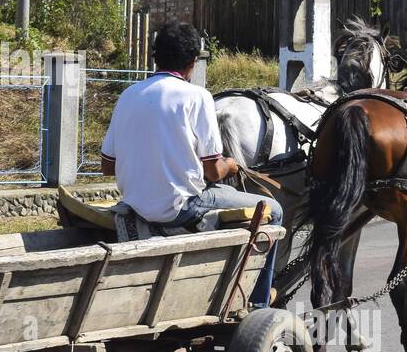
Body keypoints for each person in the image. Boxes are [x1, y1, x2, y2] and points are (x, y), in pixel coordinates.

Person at [100, 21, 283, 240]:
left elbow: (107, 166)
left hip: (134, 205)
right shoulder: (197, 97)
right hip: (181, 209)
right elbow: (213, 172)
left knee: (227, 194)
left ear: (156, 57)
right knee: (275, 210)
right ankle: (264, 276)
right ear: (193, 61)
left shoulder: (128, 95)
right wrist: (230, 165)